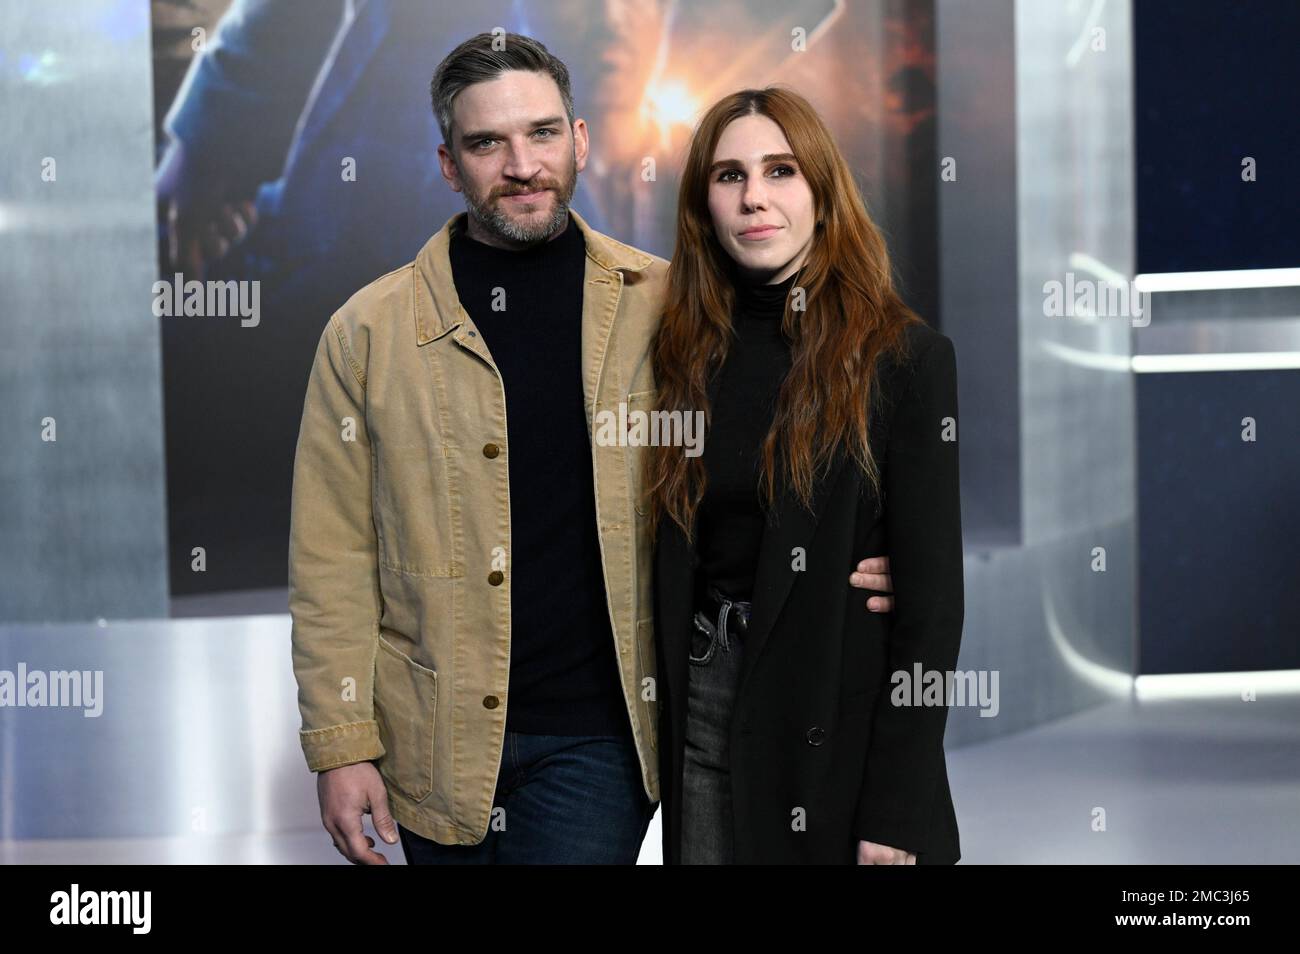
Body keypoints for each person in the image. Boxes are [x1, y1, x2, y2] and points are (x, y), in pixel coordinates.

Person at [288, 32, 895, 865]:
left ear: (579, 141)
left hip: (601, 743)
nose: (521, 163)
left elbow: (776, 437)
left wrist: (860, 554)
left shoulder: (670, 304)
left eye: (541, 134)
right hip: (429, 736)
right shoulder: (367, 334)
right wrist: (340, 743)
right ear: (447, 164)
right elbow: (331, 557)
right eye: (486, 142)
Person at [645, 86, 964, 864]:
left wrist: (896, 811)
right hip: (702, 700)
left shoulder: (905, 358)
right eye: (728, 176)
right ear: (703, 205)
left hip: (831, 705)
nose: (755, 197)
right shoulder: (677, 355)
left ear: (822, 191)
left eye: (780, 170)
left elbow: (931, 610)